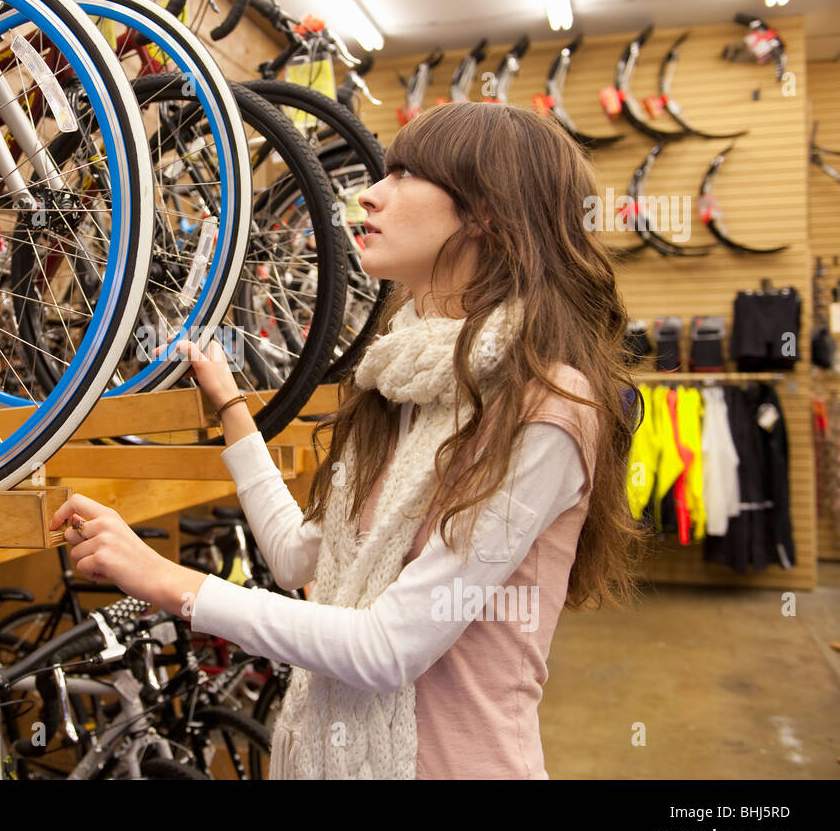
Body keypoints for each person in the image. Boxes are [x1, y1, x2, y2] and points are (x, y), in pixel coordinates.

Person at [48, 100, 643, 779]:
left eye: (407, 175)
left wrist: (168, 581)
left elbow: (388, 647)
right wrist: (232, 411)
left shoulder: (545, 408)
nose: (369, 193)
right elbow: (300, 557)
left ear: (486, 213)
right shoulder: (401, 383)